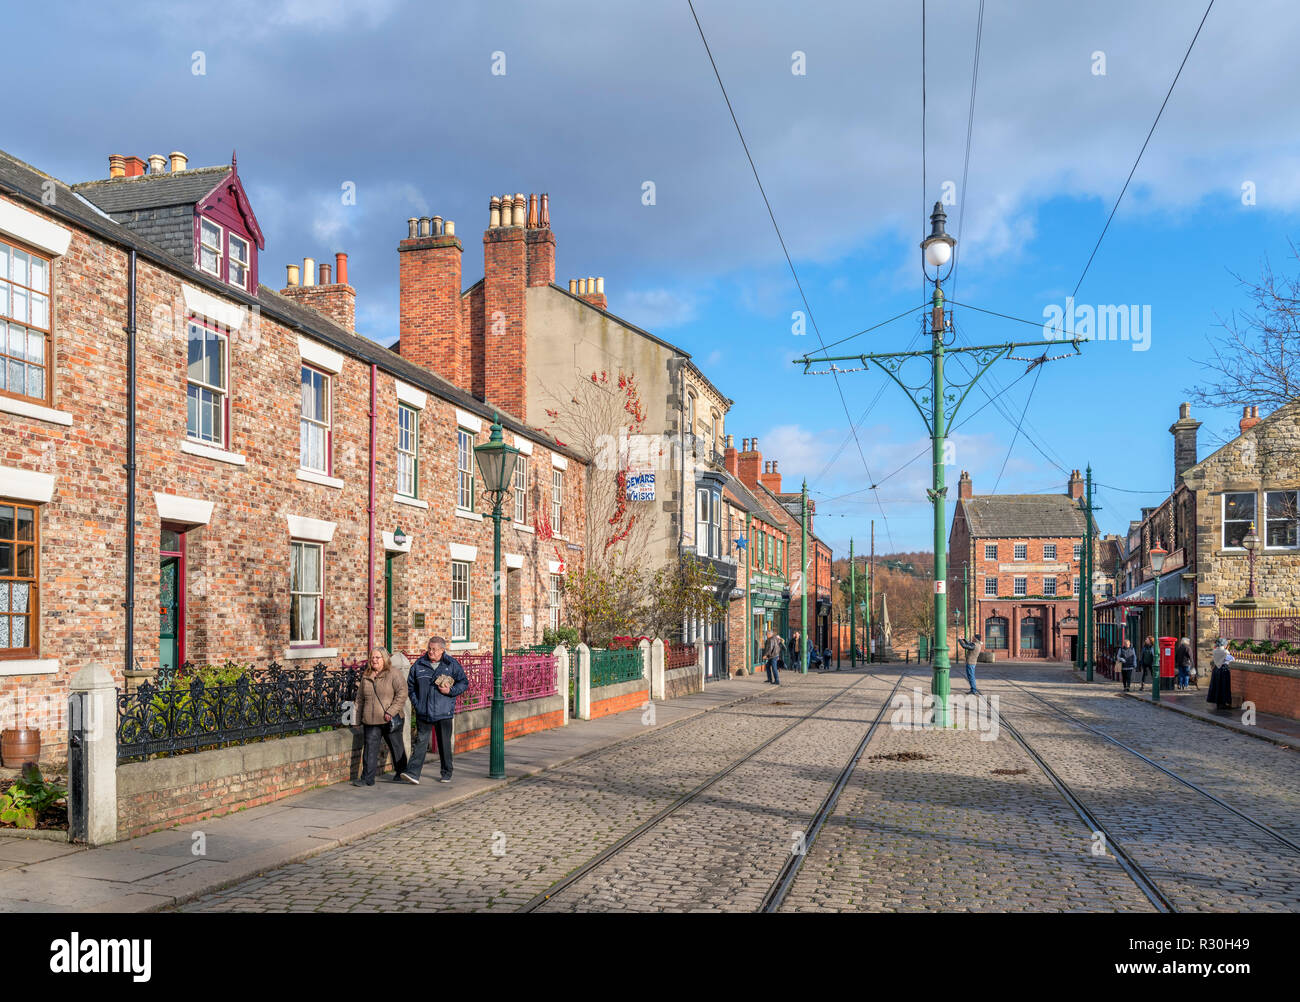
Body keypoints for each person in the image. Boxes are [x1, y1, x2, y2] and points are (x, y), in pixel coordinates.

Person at [404, 636, 469, 784]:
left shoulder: (451, 664)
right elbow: (411, 686)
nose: (430, 652)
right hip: (424, 711)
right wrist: (417, 703)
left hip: (443, 711)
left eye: (434, 649)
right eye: (429, 648)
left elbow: (464, 682)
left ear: (442, 650)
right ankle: (413, 773)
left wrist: (450, 691)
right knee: (421, 742)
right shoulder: (419, 664)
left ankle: (447, 772)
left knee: (444, 744)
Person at [353, 648, 409, 787]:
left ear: (384, 659)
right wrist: (356, 719)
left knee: (396, 747)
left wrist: (391, 712)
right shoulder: (366, 675)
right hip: (371, 719)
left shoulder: (394, 674)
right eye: (372, 657)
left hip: (390, 719)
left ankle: (401, 772)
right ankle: (367, 778)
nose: (374, 660)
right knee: (370, 749)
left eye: (378, 657)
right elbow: (359, 699)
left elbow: (402, 694)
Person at [1207, 638, 1234, 711]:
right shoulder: (1225, 652)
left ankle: (1218, 702)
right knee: (1224, 686)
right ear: (1224, 644)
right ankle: (1223, 703)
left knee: (1217, 686)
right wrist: (1228, 651)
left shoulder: (1215, 651)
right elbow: (1232, 659)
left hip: (1216, 670)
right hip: (1223, 670)